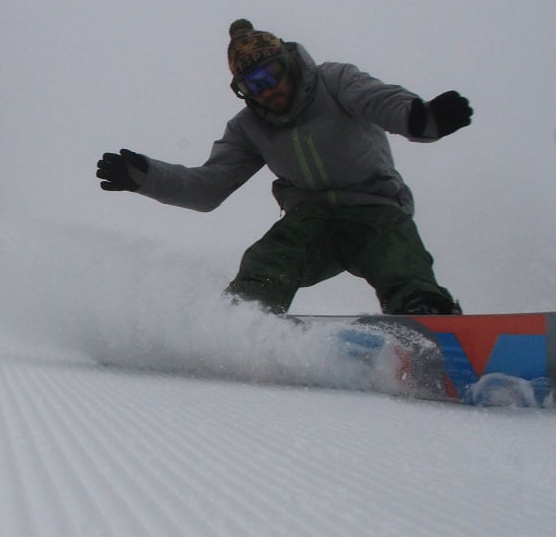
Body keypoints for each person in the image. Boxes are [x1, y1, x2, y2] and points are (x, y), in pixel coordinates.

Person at [97, 18, 471, 316]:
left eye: (271, 75)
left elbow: (380, 101)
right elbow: (208, 187)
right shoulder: (248, 126)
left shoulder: (334, 81)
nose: (267, 91)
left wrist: (423, 119)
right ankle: (243, 320)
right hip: (312, 221)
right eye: (252, 86)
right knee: (269, 258)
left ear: (288, 62)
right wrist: (145, 176)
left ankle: (422, 310)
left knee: (397, 254)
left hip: (375, 206)